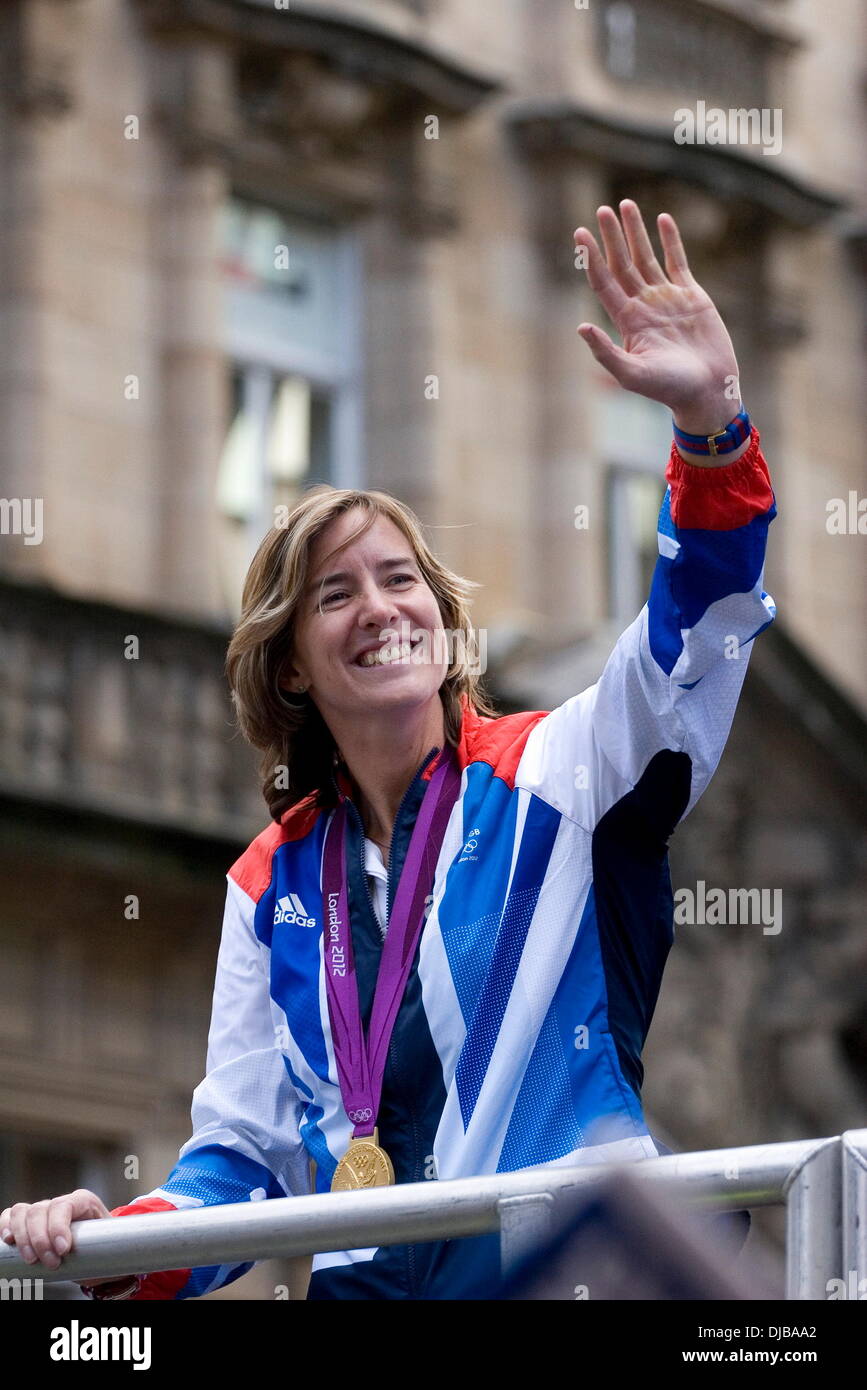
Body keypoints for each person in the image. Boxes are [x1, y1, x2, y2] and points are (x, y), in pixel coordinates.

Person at [1, 200, 776, 1299]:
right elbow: (243, 1162)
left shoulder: (559, 771)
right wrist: (110, 1243)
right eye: (337, 591)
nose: (381, 606)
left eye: (402, 577)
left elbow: (694, 635)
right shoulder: (267, 886)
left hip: (570, 1275)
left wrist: (709, 425)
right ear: (291, 665)